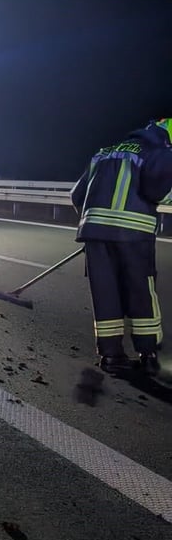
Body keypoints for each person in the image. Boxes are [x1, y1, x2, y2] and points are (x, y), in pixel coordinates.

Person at [71, 118, 172, 384]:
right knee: (140, 292)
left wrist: (97, 224)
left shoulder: (104, 153)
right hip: (133, 235)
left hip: (95, 234)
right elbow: (158, 191)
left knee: (105, 292)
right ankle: (148, 354)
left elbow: (77, 196)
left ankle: (111, 356)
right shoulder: (159, 153)